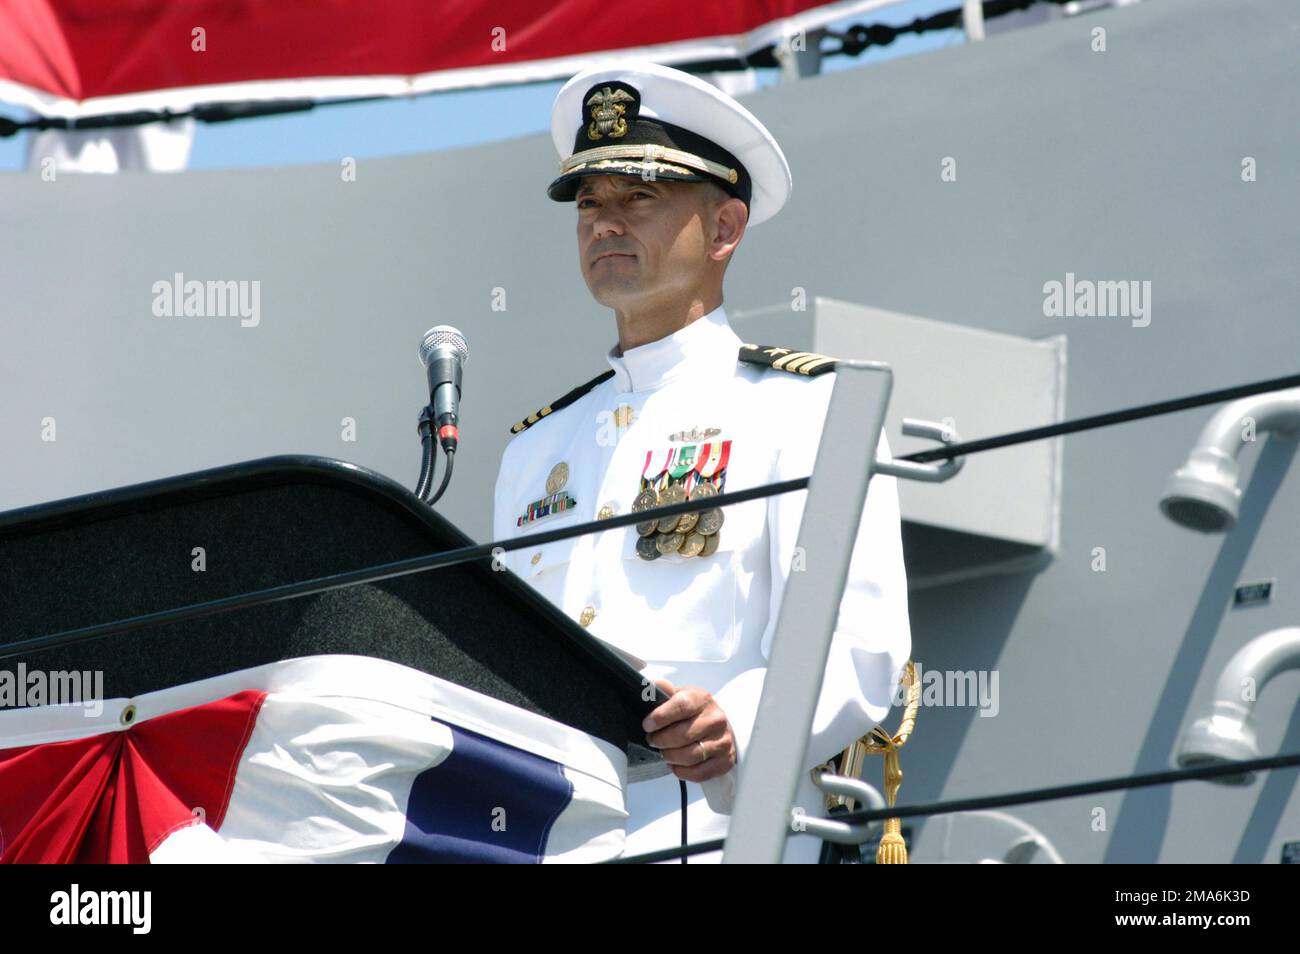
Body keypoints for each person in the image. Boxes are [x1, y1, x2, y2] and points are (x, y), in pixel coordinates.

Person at [492, 61, 911, 863]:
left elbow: (861, 648)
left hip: (711, 831)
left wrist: (736, 721)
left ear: (724, 229)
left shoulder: (807, 408)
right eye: (587, 202)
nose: (603, 223)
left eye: (638, 197)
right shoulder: (535, 449)